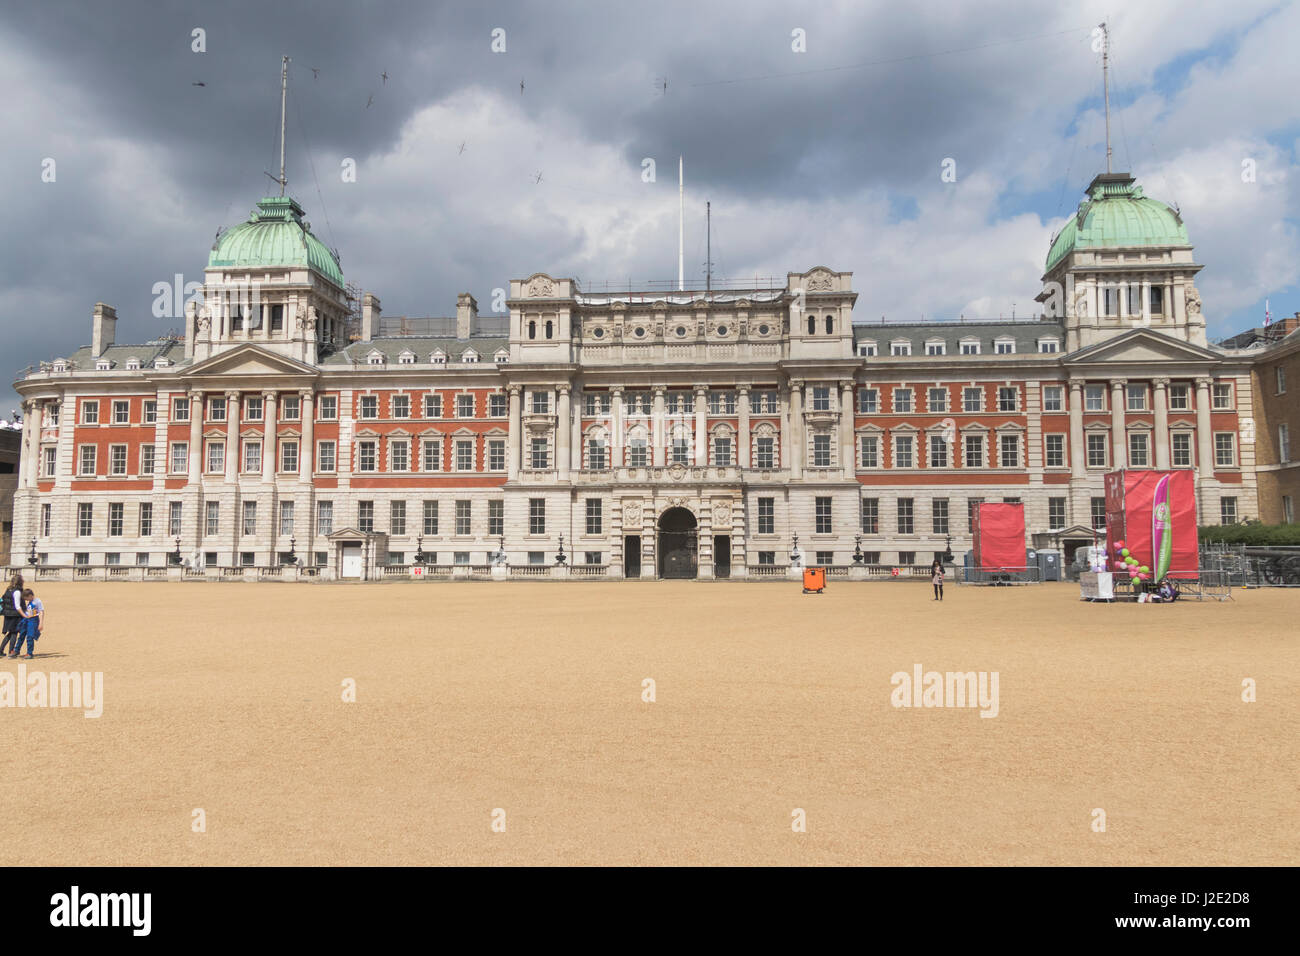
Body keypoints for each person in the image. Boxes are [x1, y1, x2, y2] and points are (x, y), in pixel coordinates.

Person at [14, 588, 43, 659]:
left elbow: (41, 612)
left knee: (30, 636)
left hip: (33, 620)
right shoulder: (31, 601)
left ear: (30, 595)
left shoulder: (37, 601)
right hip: (26, 619)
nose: (26, 600)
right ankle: (16, 650)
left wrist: (41, 623)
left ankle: (29, 653)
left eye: (27, 598)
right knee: (21, 634)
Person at [0, 573, 24, 656]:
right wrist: (24, 615)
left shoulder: (8, 589)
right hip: (14, 615)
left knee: (10, 633)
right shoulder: (17, 591)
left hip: (7, 614)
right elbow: (17, 606)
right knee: (14, 633)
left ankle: (1, 650)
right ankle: (11, 651)